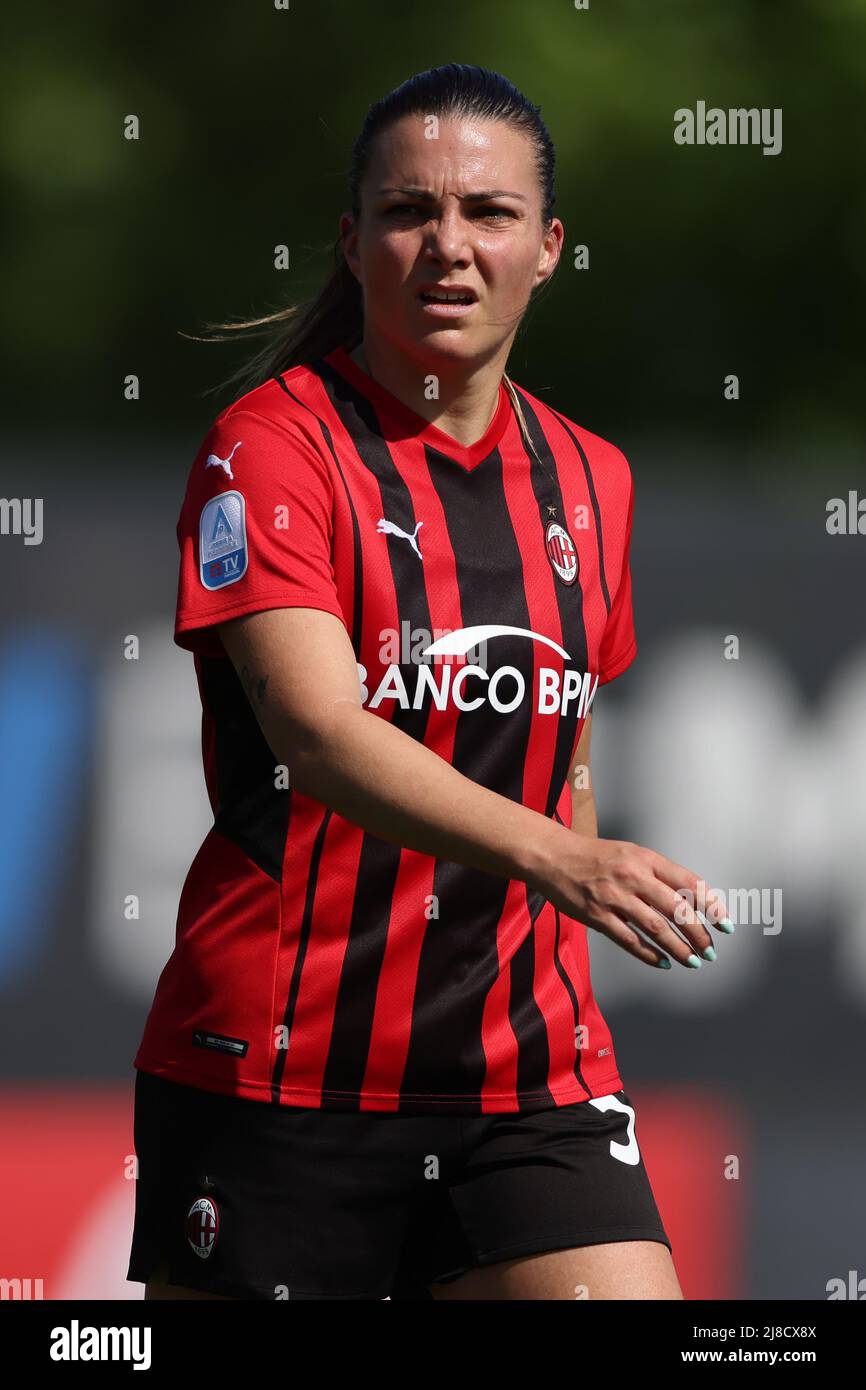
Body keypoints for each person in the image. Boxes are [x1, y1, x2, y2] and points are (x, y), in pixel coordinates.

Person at [127, 63, 732, 1302]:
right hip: (281, 1075)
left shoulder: (591, 478)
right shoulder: (269, 448)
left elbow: (558, 753)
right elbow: (316, 735)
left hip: (523, 1078)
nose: (447, 246)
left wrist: (573, 890)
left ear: (549, 247)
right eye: (409, 212)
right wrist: (568, 862)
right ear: (353, 245)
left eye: (489, 213)